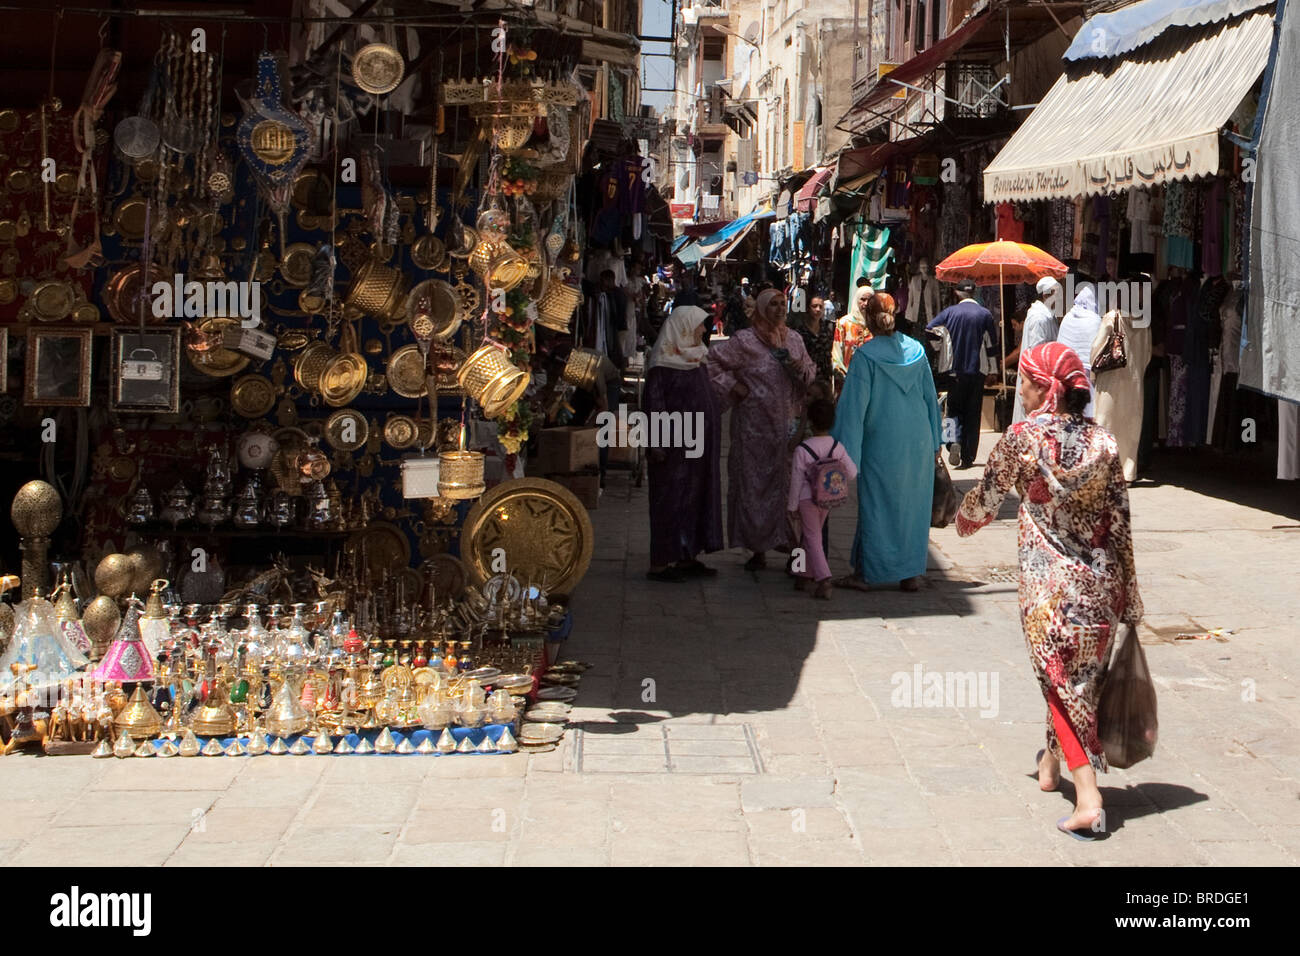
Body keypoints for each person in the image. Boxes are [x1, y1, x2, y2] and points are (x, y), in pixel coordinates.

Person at [956, 342, 1143, 838]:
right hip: (1100, 587)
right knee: (1070, 678)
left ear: (1046, 387)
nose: (1021, 387)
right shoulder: (1105, 443)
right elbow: (1121, 522)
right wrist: (1133, 592)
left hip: (1049, 588)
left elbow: (984, 499)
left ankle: (1088, 796)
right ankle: (1050, 767)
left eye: (1027, 378)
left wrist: (962, 520)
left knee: (1059, 682)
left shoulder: (1023, 438)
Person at [832, 293, 942, 593]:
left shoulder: (866, 356)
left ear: (869, 319)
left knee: (876, 506)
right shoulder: (916, 350)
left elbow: (854, 408)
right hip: (917, 440)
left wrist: (845, 452)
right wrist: (936, 441)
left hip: (881, 442)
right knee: (912, 508)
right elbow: (930, 400)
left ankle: (866, 574)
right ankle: (910, 574)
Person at [709, 288, 816, 571]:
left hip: (789, 430)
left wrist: (796, 368)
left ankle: (795, 551)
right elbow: (711, 363)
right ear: (760, 309)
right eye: (773, 305)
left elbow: (809, 374)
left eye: (783, 304)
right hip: (753, 430)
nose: (780, 309)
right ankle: (758, 549)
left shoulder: (794, 339)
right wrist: (735, 387)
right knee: (754, 489)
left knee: (791, 492)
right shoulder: (744, 341)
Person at [643, 306, 723, 582]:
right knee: (670, 501)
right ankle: (661, 563)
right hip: (673, 449)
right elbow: (654, 406)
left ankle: (687, 554)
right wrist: (656, 444)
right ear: (685, 327)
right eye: (700, 325)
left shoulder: (697, 357)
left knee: (694, 500)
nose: (704, 330)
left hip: (698, 449)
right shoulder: (663, 364)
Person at [788, 399, 857, 600]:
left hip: (805, 499)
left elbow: (796, 480)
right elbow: (852, 472)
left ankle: (823, 579)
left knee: (811, 538)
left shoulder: (803, 449)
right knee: (808, 537)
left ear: (810, 422)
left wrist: (791, 506)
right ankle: (800, 572)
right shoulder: (837, 446)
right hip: (827, 499)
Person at [927, 278, 998, 469]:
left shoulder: (949, 313)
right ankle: (968, 456)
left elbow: (930, 330)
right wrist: (993, 370)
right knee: (973, 413)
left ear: (958, 294)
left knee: (953, 410)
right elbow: (991, 345)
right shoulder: (985, 315)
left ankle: (952, 443)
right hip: (977, 371)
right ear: (974, 293)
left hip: (953, 371)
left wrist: (940, 347)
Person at [1091, 309, 1152, 482]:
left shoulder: (1111, 317)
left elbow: (1097, 348)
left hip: (1111, 380)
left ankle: (1105, 472)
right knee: (1130, 427)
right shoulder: (1143, 319)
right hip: (1134, 381)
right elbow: (1147, 354)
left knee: (1106, 425)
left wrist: (1093, 373)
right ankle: (1128, 473)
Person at [1012, 276, 1063, 423]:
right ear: (1046, 295)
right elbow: (1037, 352)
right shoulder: (1039, 318)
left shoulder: (1047, 317)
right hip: (1036, 380)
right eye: (1056, 294)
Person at [1055, 283, 1102, 415]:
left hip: (1066, 371)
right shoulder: (1095, 320)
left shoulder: (1067, 317)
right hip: (1087, 374)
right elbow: (1097, 349)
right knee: (1088, 408)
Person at [832, 286, 873, 388]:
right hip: (847, 382)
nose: (866, 303)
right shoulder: (844, 323)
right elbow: (836, 355)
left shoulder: (875, 325)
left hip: (870, 382)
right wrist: (844, 377)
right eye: (862, 299)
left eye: (870, 300)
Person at [797, 295, 835, 384]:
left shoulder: (827, 331)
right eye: (814, 306)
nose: (818, 309)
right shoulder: (799, 332)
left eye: (821, 307)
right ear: (808, 308)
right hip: (805, 378)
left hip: (824, 379)